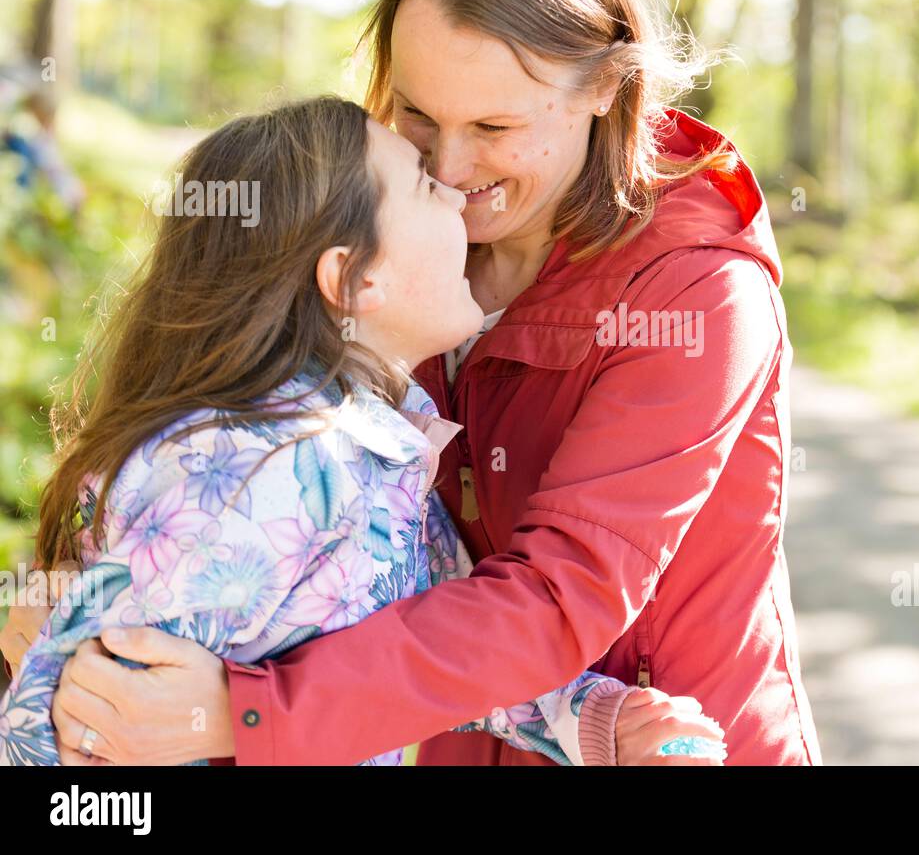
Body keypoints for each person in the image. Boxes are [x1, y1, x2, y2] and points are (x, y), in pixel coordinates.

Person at [9, 0, 821, 766]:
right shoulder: (408, 253)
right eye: (419, 118)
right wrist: (73, 622)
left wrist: (244, 712)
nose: (453, 169)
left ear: (605, 87)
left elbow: (556, 596)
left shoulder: (695, 293)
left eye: (495, 127)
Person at [0, 95, 724, 766]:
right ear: (352, 281)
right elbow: (89, 717)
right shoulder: (257, 470)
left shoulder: (378, 453)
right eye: (421, 183)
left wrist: (600, 719)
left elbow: (439, 650)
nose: (454, 189)